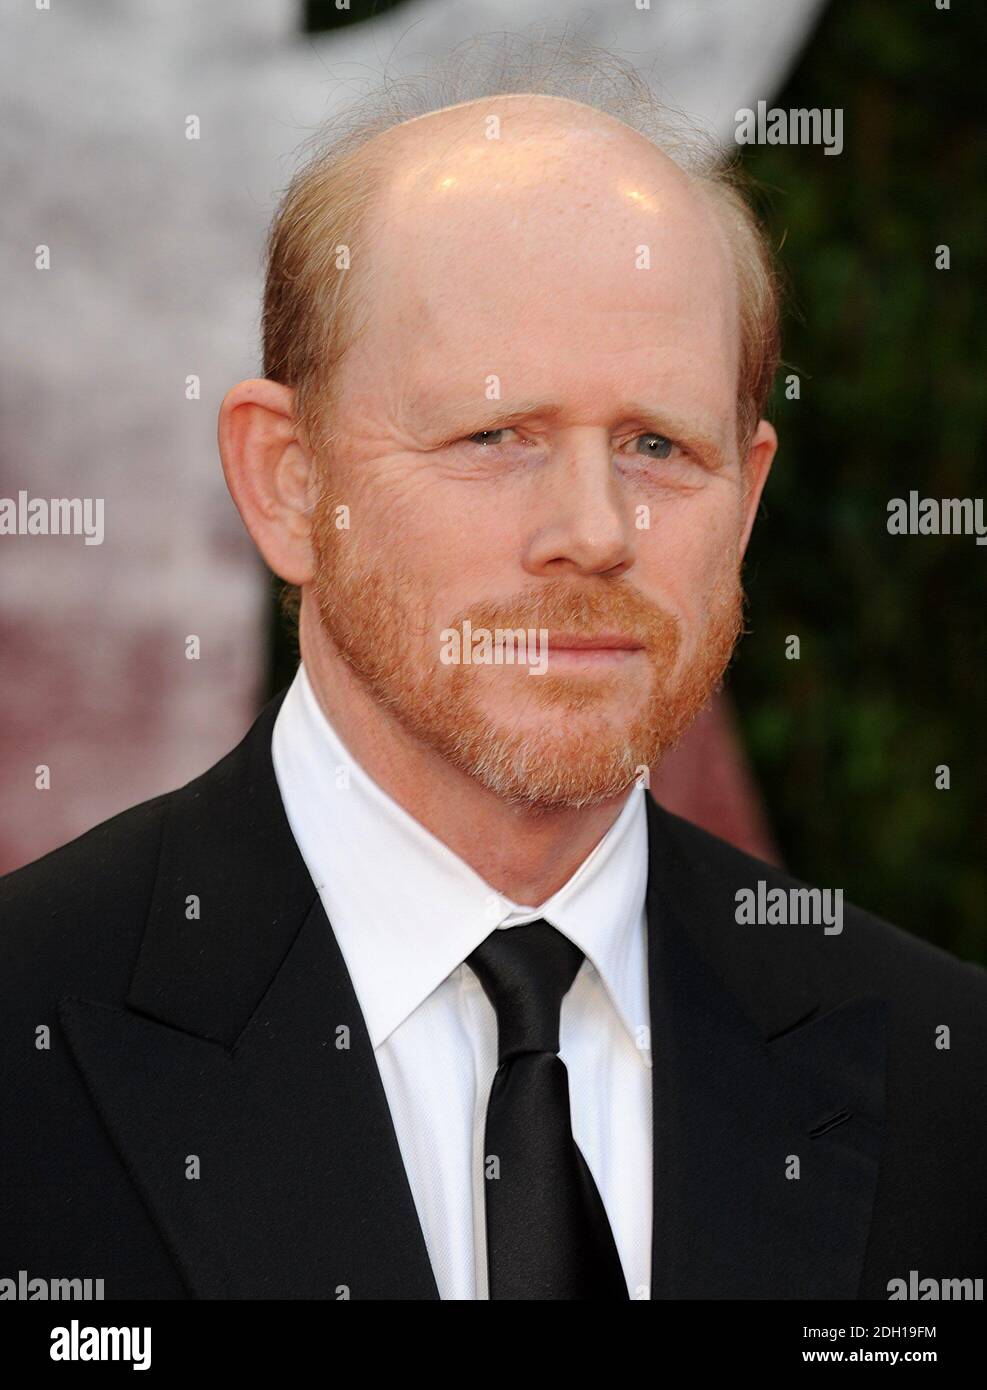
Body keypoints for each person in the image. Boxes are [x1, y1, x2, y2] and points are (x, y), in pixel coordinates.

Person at [2, 48, 984, 1302]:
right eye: (494, 435)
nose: (595, 527)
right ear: (290, 485)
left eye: (658, 444)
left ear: (747, 504)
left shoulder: (945, 1084)